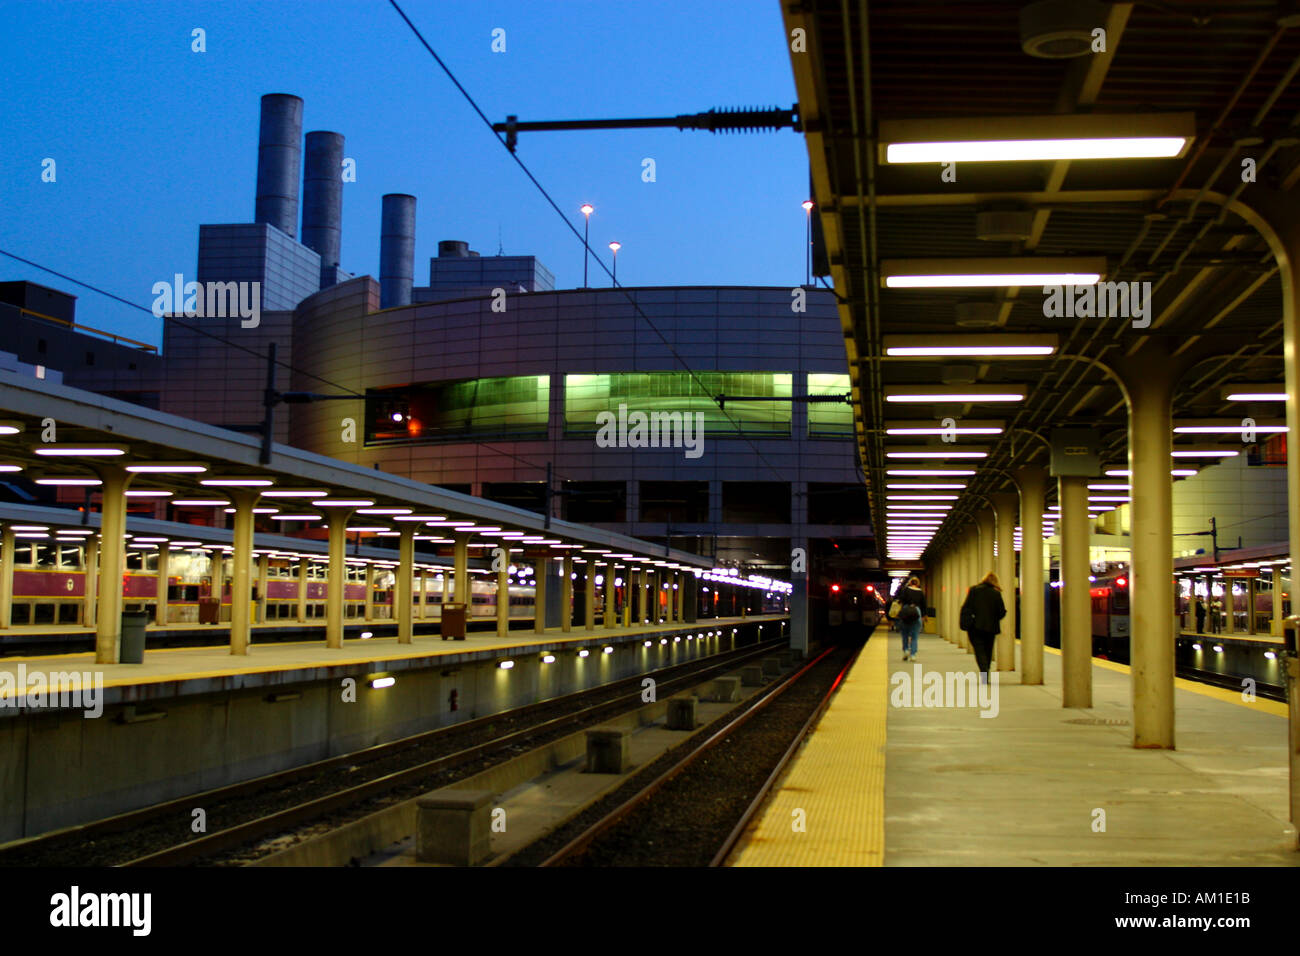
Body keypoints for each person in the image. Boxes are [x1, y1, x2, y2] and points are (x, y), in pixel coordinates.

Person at [960, 570, 1006, 683]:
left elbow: (966, 607)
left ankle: (983, 669)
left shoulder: (973, 590)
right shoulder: (996, 593)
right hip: (991, 628)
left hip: (974, 626)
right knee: (988, 650)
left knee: (979, 650)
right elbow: (1001, 611)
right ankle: (986, 671)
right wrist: (994, 618)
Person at [893, 576, 926, 661]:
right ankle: (913, 654)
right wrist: (923, 616)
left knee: (904, 634)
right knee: (914, 636)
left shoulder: (906, 590)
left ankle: (906, 650)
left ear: (910, 582)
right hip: (916, 611)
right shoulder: (921, 592)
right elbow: (923, 605)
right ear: (918, 583)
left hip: (906, 611)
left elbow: (900, 600)